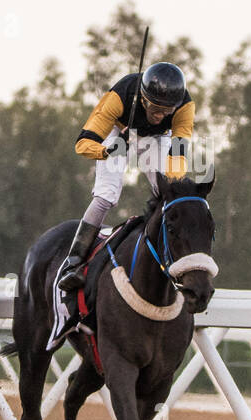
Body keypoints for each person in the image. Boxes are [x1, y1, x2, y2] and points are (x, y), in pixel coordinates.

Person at [56, 61, 194, 291]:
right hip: (119, 134)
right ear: (142, 98)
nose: (160, 115)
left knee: (170, 193)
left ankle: (175, 261)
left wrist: (174, 187)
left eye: (167, 111)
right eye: (155, 108)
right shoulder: (120, 95)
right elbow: (83, 144)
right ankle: (74, 263)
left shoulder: (185, 106)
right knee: (106, 196)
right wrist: (107, 150)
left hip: (156, 138)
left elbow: (178, 152)